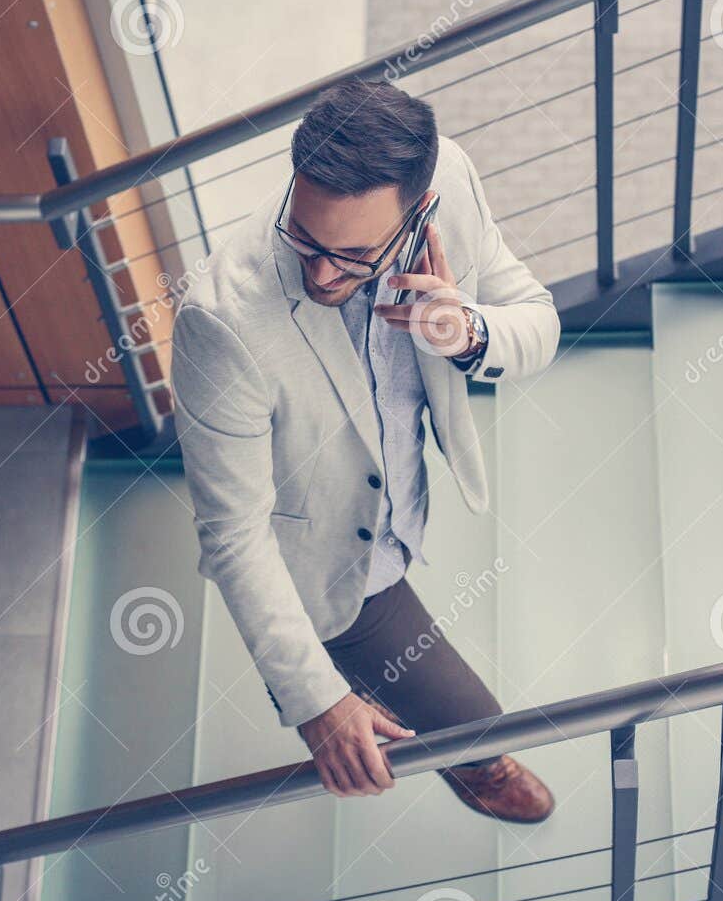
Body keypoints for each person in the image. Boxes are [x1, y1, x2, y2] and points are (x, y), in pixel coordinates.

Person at [170, 78, 560, 822]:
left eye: (351, 255)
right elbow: (233, 534)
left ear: (416, 213)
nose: (320, 273)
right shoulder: (218, 321)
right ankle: (476, 760)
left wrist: (471, 331)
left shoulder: (449, 178)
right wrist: (317, 701)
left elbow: (539, 322)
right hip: (334, 564)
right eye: (305, 240)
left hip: (404, 490)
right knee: (477, 721)